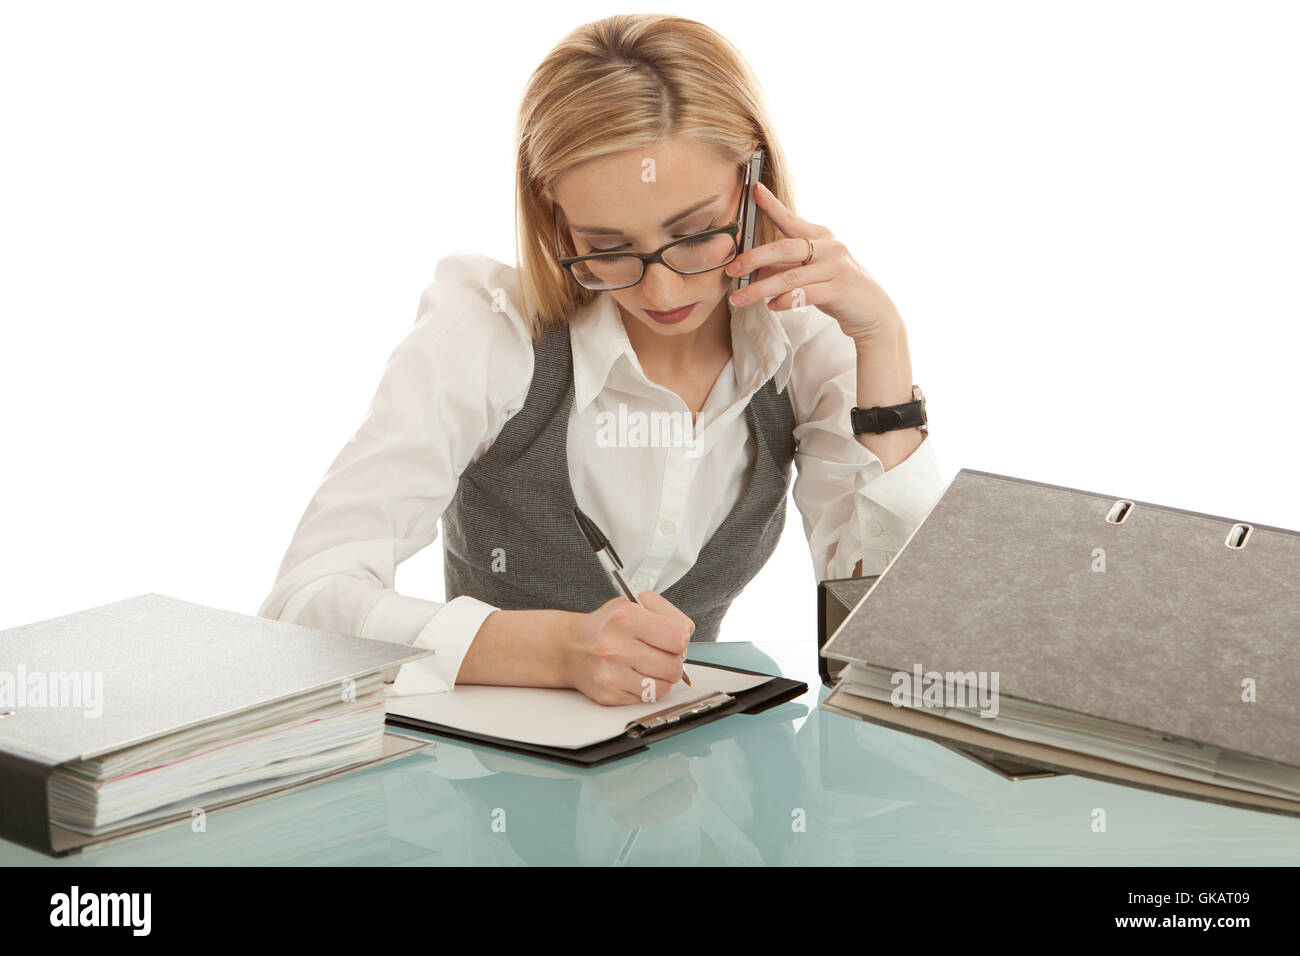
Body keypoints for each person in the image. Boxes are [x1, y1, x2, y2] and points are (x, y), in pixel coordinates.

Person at [258, 13, 946, 705]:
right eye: (607, 247)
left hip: (699, 777)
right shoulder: (490, 330)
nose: (661, 288)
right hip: (493, 781)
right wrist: (556, 650)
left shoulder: (807, 343)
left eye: (698, 232)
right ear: (553, 218)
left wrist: (883, 345)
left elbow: (898, 651)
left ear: (755, 179)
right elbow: (305, 605)